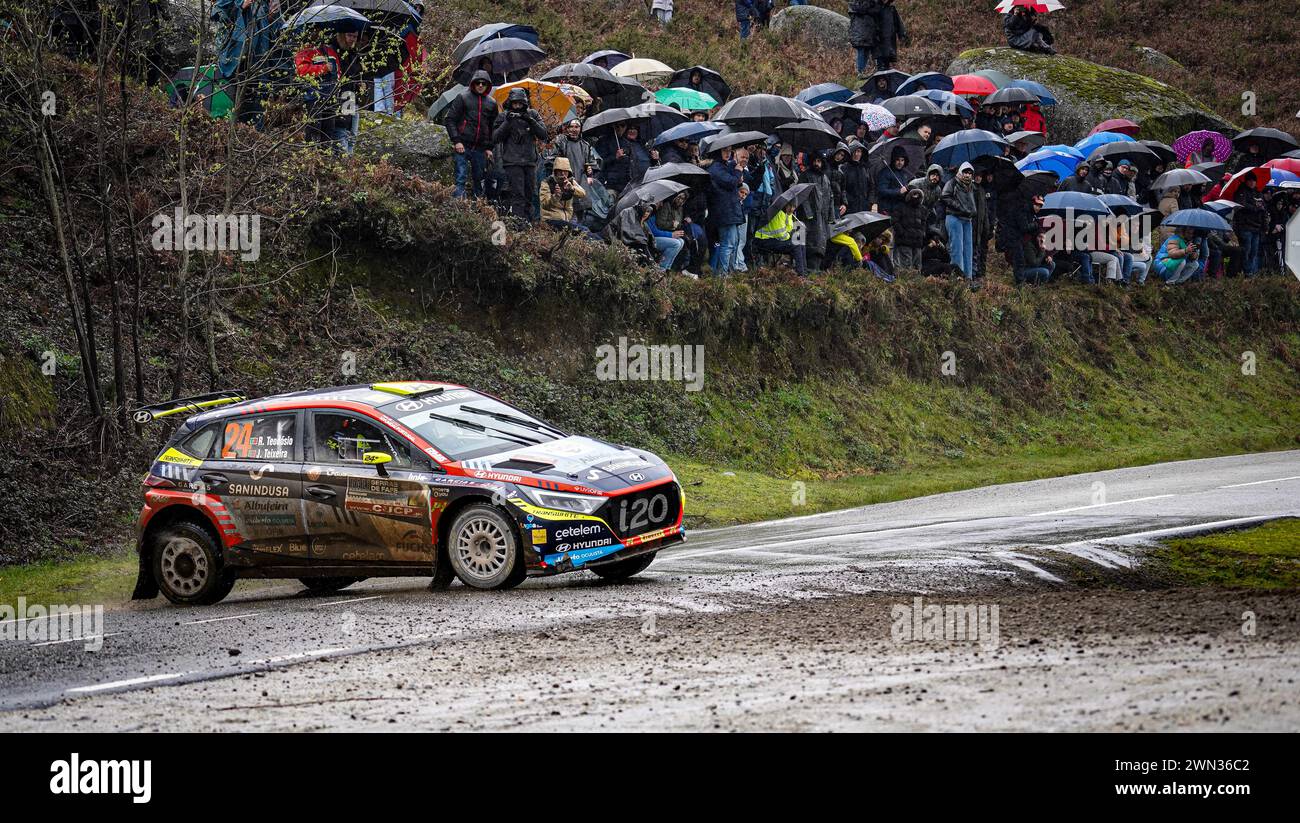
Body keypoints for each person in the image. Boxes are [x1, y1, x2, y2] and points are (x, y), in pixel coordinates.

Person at [214, 0, 282, 128]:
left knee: (259, 103)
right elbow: (218, 12)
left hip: (261, 61)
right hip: (240, 62)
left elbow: (277, 31)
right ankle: (239, 138)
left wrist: (272, 17)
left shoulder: (265, 3)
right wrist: (241, 7)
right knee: (241, 105)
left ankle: (256, 140)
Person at [295, 28, 363, 154]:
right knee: (318, 130)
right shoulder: (307, 50)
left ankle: (330, 158)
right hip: (315, 97)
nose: (352, 39)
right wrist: (322, 69)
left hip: (340, 96)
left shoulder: (332, 51)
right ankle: (314, 158)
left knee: (334, 131)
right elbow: (301, 70)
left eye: (355, 36)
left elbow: (338, 73)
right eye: (350, 35)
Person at [492, 87, 548, 220]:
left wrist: (530, 120)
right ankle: (519, 225)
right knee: (518, 195)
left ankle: (528, 223)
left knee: (530, 194)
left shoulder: (533, 114)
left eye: (520, 103)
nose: (517, 106)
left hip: (529, 161)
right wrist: (507, 122)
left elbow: (543, 134)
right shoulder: (503, 116)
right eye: (515, 103)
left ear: (524, 103)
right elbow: (495, 138)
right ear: (510, 103)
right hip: (512, 162)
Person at [445, 71, 498, 199]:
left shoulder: (492, 103)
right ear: (473, 84)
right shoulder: (462, 97)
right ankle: (458, 207)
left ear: (488, 85)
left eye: (483, 83)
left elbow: (493, 127)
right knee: (461, 177)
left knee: (479, 180)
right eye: (478, 83)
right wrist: (456, 140)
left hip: (480, 149)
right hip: (463, 144)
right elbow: (450, 119)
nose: (480, 85)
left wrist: (489, 148)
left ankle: (477, 211)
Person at [800, 151, 846, 271]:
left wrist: (831, 216)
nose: (816, 163)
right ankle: (808, 269)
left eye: (819, 161)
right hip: (808, 219)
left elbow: (830, 197)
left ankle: (816, 270)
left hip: (823, 217)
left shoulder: (825, 178)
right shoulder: (805, 176)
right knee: (809, 244)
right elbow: (801, 196)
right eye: (815, 161)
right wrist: (808, 213)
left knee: (821, 244)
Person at [708, 145, 746, 275]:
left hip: (730, 211)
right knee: (727, 244)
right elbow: (730, 182)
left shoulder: (724, 166)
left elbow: (733, 183)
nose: (728, 153)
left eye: (730, 150)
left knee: (734, 244)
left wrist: (738, 177)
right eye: (724, 150)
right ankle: (722, 276)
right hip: (724, 212)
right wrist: (738, 171)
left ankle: (729, 273)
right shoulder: (716, 168)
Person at [539, 158, 596, 238]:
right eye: (560, 171)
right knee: (582, 231)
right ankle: (603, 244)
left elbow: (583, 193)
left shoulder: (570, 181)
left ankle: (604, 244)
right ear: (555, 171)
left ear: (568, 172)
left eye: (565, 172)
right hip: (551, 220)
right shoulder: (547, 183)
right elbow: (544, 204)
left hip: (567, 220)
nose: (563, 174)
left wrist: (572, 189)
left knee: (584, 231)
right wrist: (555, 197)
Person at [942, 162, 978, 282]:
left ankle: (968, 277)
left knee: (968, 248)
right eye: (965, 172)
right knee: (957, 247)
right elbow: (945, 196)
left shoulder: (972, 186)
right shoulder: (952, 182)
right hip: (954, 217)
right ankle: (957, 277)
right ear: (960, 172)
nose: (967, 175)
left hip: (968, 219)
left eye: (969, 173)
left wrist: (972, 211)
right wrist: (960, 207)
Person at [754, 200, 809, 276]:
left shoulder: (786, 214)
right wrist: (790, 237)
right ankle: (801, 275)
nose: (792, 209)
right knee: (796, 245)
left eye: (794, 207)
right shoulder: (778, 214)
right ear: (785, 205)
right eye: (790, 206)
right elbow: (781, 235)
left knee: (800, 243)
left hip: (773, 239)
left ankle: (804, 272)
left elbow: (789, 229)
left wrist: (789, 216)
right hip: (763, 240)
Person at [1016, 196, 1054, 285]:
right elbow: (1034, 263)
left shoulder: (1035, 217)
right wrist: (1042, 251)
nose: (1038, 208)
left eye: (1040, 206)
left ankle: (1039, 285)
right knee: (1044, 271)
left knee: (1051, 264)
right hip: (1024, 268)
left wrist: (1048, 255)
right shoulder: (1028, 243)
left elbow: (1041, 236)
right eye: (1037, 205)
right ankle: (1029, 283)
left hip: (1031, 262)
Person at [1233, 173, 1267, 276]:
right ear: (1246, 181)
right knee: (1246, 251)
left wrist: (1265, 225)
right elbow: (1241, 205)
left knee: (1254, 252)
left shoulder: (1258, 193)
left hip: (1256, 227)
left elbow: (1263, 208)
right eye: (1250, 180)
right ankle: (1247, 273)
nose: (1252, 182)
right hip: (1245, 227)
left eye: (1254, 180)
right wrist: (1255, 207)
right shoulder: (1241, 192)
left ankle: (1251, 273)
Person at [550, 119, 601, 183]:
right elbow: (551, 161)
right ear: (567, 129)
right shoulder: (561, 143)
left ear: (580, 129)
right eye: (571, 126)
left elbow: (593, 165)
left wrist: (590, 171)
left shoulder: (585, 146)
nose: (574, 129)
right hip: (563, 182)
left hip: (582, 185)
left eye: (576, 127)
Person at [892, 187, 928, 271]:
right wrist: (902, 233)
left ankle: (916, 283)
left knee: (917, 266)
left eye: (918, 195)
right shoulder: (901, 207)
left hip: (917, 242)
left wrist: (922, 233)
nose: (916, 196)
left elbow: (924, 223)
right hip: (904, 241)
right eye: (914, 194)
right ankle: (905, 283)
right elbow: (894, 221)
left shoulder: (923, 209)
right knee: (906, 266)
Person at [646, 201, 687, 271]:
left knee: (681, 241)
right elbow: (653, 232)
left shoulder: (654, 213)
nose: (661, 205)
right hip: (649, 239)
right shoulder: (648, 212)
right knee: (676, 244)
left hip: (655, 236)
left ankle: (668, 267)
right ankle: (661, 269)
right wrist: (671, 235)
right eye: (659, 203)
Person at [580, 158, 615, 235]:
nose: (589, 169)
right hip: (590, 216)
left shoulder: (595, 182)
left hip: (597, 217)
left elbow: (607, 200)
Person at [848, 0, 881, 77]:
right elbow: (862, 9)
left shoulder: (870, 3)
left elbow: (877, 10)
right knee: (862, 51)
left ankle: (862, 71)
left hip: (868, 32)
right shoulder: (855, 4)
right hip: (861, 32)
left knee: (865, 51)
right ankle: (861, 71)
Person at [875, 146, 910, 215]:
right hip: (887, 209)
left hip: (899, 209)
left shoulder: (904, 173)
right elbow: (882, 190)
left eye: (902, 160)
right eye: (898, 160)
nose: (900, 163)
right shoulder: (885, 173)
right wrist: (898, 191)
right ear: (893, 160)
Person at [874, 0, 908, 71]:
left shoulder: (892, 9)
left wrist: (902, 34)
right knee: (880, 61)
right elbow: (872, 23)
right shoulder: (875, 8)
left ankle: (887, 77)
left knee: (887, 60)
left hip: (890, 39)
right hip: (879, 39)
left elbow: (898, 23)